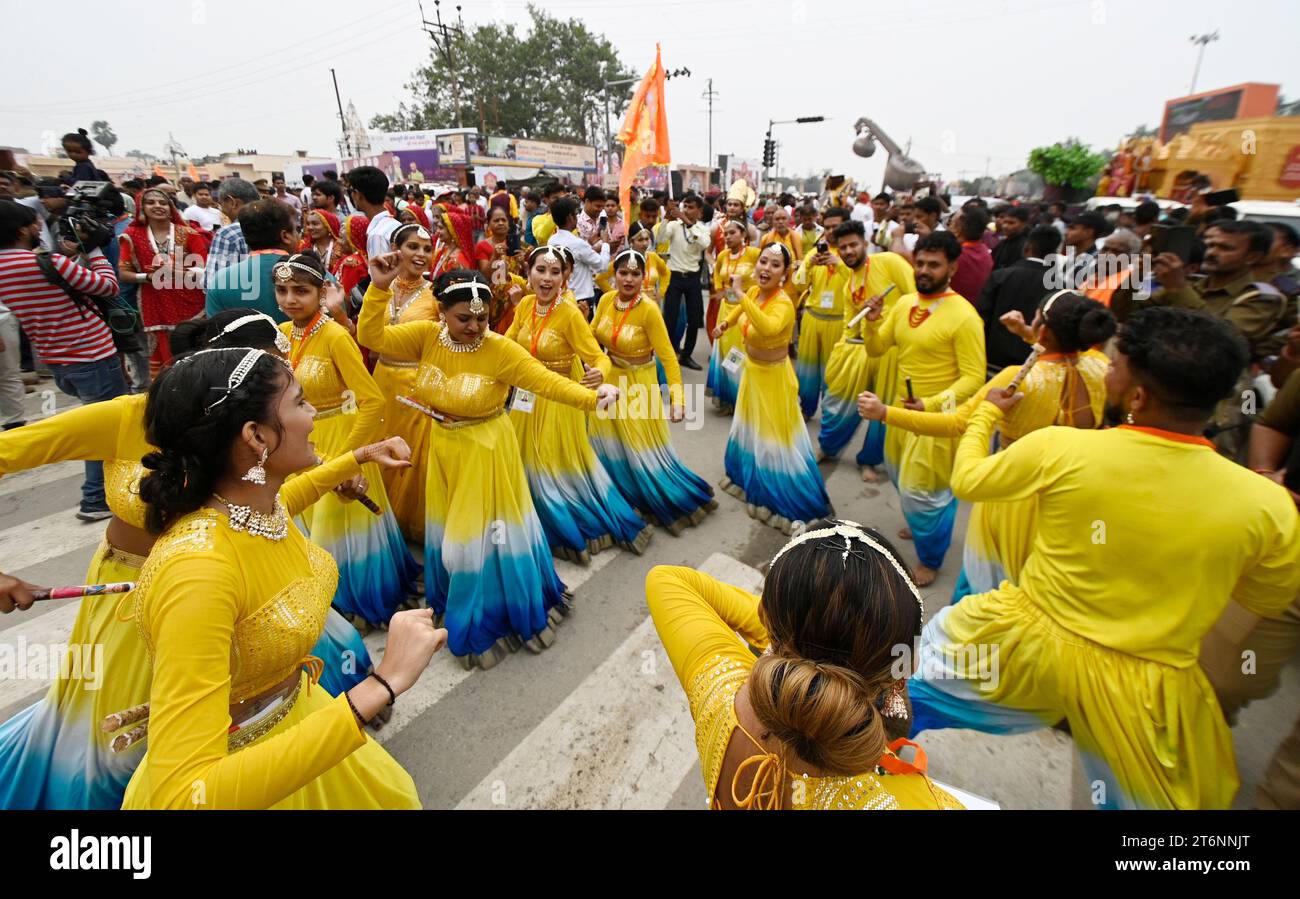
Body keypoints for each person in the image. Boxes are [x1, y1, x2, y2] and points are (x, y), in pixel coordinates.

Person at [908, 306, 1300, 809]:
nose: (1105, 369)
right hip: (1146, 690)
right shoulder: (1268, 506)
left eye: (1115, 365)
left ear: (1138, 395)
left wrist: (986, 411)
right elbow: (1261, 598)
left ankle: (851, 761)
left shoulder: (1060, 450)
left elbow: (967, 481)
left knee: (899, 701)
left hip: (1019, 647)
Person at [0, 311, 378, 808]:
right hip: (132, 610)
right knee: (120, 749)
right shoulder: (127, 417)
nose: (299, 406)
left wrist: (341, 469)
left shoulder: (252, 462)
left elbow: (272, 492)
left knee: (254, 715)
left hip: (243, 597)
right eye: (281, 388)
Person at [115, 347, 441, 808]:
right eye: (302, 402)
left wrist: (360, 457)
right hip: (256, 772)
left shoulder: (254, 508)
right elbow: (185, 797)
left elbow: (295, 497)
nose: (314, 415)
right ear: (256, 436)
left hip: (297, 719)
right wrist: (382, 684)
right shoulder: (199, 573)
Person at [358, 261, 619, 669]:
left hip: (486, 451)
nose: (475, 326)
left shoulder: (499, 349)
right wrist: (377, 289)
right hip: (443, 447)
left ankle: (478, 618)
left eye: (482, 318)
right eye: (464, 318)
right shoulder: (426, 337)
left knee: (470, 543)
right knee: (447, 536)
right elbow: (371, 336)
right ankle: (448, 601)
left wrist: (593, 397)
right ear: (441, 311)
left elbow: (544, 381)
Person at [645, 522, 963, 810]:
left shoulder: (718, 687)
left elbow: (668, 580)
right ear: (904, 668)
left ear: (764, 616)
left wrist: (774, 633)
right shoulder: (919, 802)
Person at [860, 290, 1115, 602]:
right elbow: (1069, 357)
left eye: (1035, 319)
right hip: (1072, 492)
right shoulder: (1101, 369)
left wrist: (885, 413)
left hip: (1013, 493)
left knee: (988, 580)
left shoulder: (1017, 379)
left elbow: (956, 423)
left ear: (1044, 330)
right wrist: (1026, 333)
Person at [273, 252, 419, 627]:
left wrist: (347, 459)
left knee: (344, 530)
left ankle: (363, 599)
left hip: (339, 435)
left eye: (301, 291)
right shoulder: (281, 335)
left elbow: (372, 401)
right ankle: (325, 598)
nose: (291, 300)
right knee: (308, 527)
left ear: (322, 292)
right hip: (297, 444)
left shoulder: (336, 336)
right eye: (283, 291)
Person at [504, 246, 653, 562]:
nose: (547, 278)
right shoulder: (526, 305)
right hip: (525, 398)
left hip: (558, 400)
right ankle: (531, 520)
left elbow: (597, 354)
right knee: (524, 462)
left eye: (555, 272)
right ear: (528, 273)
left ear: (565, 277)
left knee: (551, 467)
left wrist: (601, 372)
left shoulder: (569, 313)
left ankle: (561, 525)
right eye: (541, 270)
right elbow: (506, 344)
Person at [858, 232, 985, 585]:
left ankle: (930, 558)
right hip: (899, 411)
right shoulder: (904, 304)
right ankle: (921, 525)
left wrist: (929, 403)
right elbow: (876, 349)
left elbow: (975, 379)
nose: (924, 270)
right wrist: (871, 320)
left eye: (934, 265)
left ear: (953, 267)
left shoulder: (965, 316)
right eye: (921, 263)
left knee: (925, 494)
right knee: (902, 479)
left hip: (935, 420)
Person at [0, 198, 127, 519]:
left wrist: (70, 257)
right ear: (21, 230)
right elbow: (108, 287)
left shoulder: (16, 267)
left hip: (57, 359)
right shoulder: (50, 262)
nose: (36, 228)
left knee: (95, 419)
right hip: (93, 354)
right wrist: (95, 251)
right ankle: (96, 498)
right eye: (32, 223)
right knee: (108, 426)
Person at [590, 249, 716, 534]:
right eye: (623, 272)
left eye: (636, 273)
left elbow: (669, 357)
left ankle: (656, 497)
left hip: (638, 385)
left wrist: (679, 400)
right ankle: (621, 496)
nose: (629, 279)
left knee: (638, 446)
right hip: (609, 382)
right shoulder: (607, 299)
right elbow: (593, 329)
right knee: (607, 441)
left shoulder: (648, 309)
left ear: (644, 276)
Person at [714, 243, 830, 533]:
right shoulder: (753, 293)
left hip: (774, 379)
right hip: (752, 373)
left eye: (774, 265)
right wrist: (726, 324)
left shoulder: (784, 304)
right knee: (749, 428)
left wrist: (740, 293)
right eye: (763, 261)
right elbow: (742, 309)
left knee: (774, 439)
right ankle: (745, 478)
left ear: (785, 273)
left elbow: (766, 326)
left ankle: (783, 498)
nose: (765, 268)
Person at [1151, 220, 1289, 457]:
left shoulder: (1262, 297)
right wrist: (1143, 268)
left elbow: (1224, 337)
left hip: (1223, 393)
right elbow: (1126, 309)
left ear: (1252, 256)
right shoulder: (1192, 284)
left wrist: (1179, 290)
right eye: (1210, 244)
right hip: (1169, 382)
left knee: (1210, 452)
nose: (1213, 252)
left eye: (1226, 248)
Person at [814, 222, 916, 467]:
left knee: (883, 408)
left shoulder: (889, 261)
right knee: (837, 400)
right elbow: (849, 324)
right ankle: (828, 447)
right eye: (843, 247)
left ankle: (869, 460)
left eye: (853, 245)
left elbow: (916, 296)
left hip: (892, 350)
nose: (848, 251)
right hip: (860, 347)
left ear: (865, 243)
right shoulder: (849, 283)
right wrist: (841, 350)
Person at [118, 187, 211, 377]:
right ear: (141, 207)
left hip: (188, 299)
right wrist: (148, 277)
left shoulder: (188, 233)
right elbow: (124, 273)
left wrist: (177, 272)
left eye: (163, 203)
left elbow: (205, 269)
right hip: (155, 301)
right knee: (163, 350)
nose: (158, 206)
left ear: (171, 207)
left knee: (194, 343)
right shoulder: (132, 235)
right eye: (151, 202)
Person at [974, 225, 1060, 377]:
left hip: (991, 358)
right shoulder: (1061, 287)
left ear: (1028, 247)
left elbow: (981, 317)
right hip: (1033, 366)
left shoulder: (1000, 276)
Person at [790, 207, 851, 419]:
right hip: (812, 317)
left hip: (838, 321)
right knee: (806, 370)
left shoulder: (853, 255)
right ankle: (805, 410)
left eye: (836, 226)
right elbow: (798, 285)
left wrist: (841, 264)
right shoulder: (814, 253)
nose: (831, 231)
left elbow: (862, 286)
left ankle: (830, 415)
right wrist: (807, 267)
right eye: (827, 227)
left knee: (833, 372)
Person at [205, 199, 298, 323]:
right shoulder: (312, 274)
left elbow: (215, 333)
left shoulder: (221, 280)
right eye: (296, 229)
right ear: (285, 236)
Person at [706, 219, 760, 413]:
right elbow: (717, 276)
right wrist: (720, 289)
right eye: (725, 234)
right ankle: (728, 397)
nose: (727, 237)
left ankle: (742, 397)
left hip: (744, 310)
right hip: (725, 309)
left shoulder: (754, 254)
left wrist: (755, 291)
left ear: (744, 235)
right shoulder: (722, 255)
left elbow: (765, 272)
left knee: (739, 352)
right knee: (725, 352)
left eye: (732, 233)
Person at [659, 194, 710, 370]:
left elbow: (704, 244)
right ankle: (670, 353)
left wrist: (687, 222)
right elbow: (661, 239)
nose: (686, 210)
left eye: (691, 207)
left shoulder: (702, 229)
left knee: (695, 319)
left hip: (693, 278)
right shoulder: (674, 225)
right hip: (674, 276)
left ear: (699, 211)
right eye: (685, 206)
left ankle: (686, 355)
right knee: (670, 318)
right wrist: (667, 216)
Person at [546, 197, 608, 320]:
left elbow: (577, 255)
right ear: (570, 217)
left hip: (561, 297)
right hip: (581, 300)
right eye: (576, 214)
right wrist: (605, 244)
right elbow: (602, 266)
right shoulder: (577, 243)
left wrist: (589, 243)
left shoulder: (552, 240)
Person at [205, 178, 260, 280]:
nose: (221, 210)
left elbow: (213, 282)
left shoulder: (228, 234)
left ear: (232, 202)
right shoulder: (277, 225)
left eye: (221, 204)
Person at [346, 166, 398, 261]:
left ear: (357, 194)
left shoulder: (377, 235)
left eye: (350, 191)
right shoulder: (394, 223)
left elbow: (380, 275)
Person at [299, 209, 346, 277]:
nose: (310, 227)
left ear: (328, 226)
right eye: (308, 224)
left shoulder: (342, 247)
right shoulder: (304, 247)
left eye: (315, 224)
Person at [990, 206, 1030, 270]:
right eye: (1005, 222)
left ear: (1024, 224)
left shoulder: (1026, 246)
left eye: (1011, 223)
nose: (1005, 226)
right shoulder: (1002, 243)